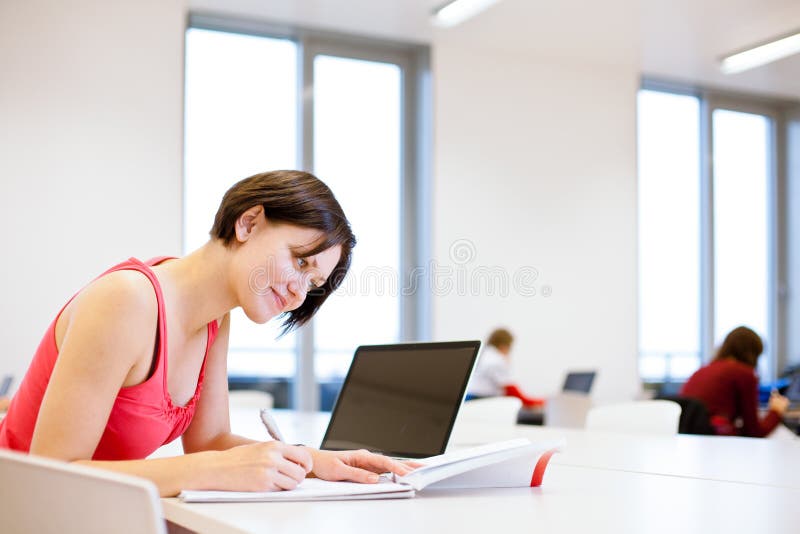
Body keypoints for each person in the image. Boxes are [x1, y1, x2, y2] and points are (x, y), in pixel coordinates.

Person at [0, 170, 416, 496]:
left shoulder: (216, 321)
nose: (297, 292)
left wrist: (309, 460)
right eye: (299, 262)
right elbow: (53, 477)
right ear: (249, 223)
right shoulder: (127, 300)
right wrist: (211, 471)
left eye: (312, 284)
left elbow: (209, 441)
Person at [680, 325, 789, 437]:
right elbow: (754, 432)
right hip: (714, 441)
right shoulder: (744, 373)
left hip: (692, 440)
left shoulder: (704, 369)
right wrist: (776, 411)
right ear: (753, 353)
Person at [467, 328, 544, 408]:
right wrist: (543, 402)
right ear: (504, 346)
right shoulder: (497, 359)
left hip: (469, 398)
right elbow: (512, 392)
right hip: (479, 400)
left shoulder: (484, 354)